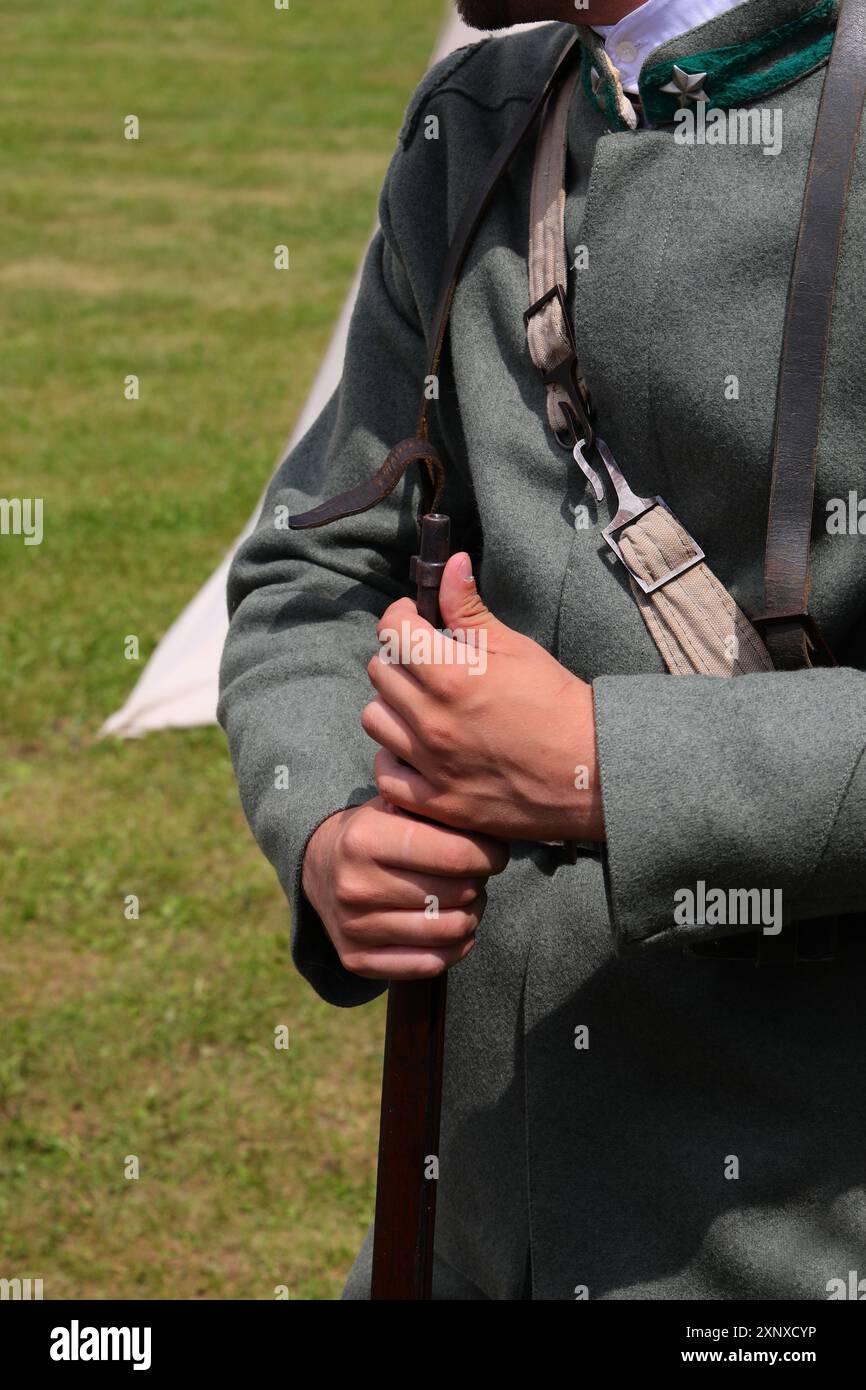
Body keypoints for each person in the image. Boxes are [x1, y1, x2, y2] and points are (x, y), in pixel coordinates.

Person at [218, 0, 866, 1300]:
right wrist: (334, 827)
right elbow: (312, 566)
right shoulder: (478, 123)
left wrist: (602, 766)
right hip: (463, 1221)